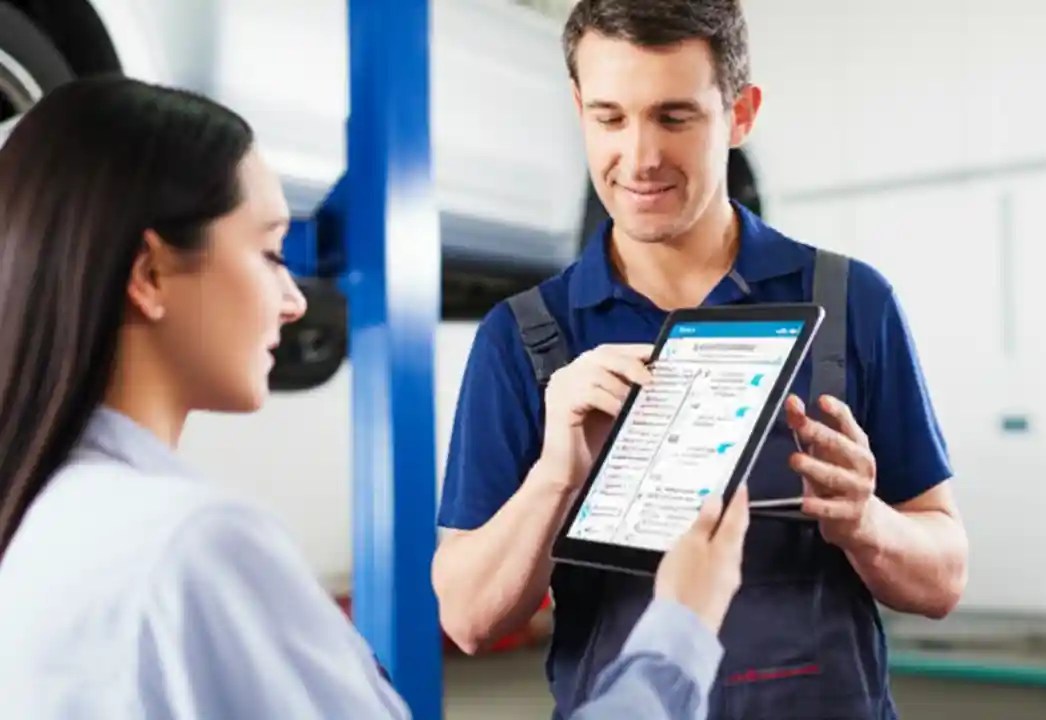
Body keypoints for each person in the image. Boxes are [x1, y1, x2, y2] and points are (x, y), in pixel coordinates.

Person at [0, 75, 752, 720]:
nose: (294, 301)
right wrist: (683, 620)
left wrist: (556, 475)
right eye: (267, 253)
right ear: (150, 274)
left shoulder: (46, 518)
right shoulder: (193, 541)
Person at [432, 1, 971, 718]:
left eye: (674, 117)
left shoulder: (851, 303)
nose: (641, 156)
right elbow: (469, 619)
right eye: (610, 117)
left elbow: (943, 579)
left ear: (740, 113)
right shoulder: (524, 337)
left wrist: (867, 522)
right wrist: (556, 476)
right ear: (578, 109)